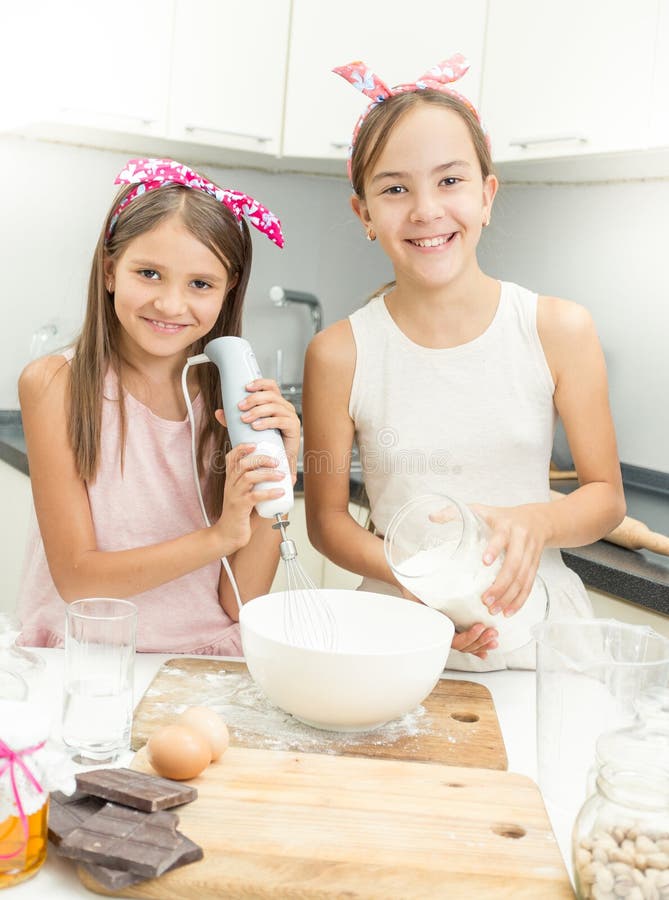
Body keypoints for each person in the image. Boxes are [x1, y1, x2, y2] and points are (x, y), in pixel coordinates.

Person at [302, 56, 626, 671]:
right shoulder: (340, 352)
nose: (425, 209)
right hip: (401, 626)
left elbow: (606, 497)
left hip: (537, 632)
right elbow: (326, 522)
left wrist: (537, 522)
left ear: (487, 194)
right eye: (394, 188)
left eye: (450, 181)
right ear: (364, 214)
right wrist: (417, 581)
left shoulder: (557, 329)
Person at [17, 157, 300, 654]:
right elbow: (78, 581)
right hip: (89, 660)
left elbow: (242, 602)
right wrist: (218, 537)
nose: (171, 305)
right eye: (149, 273)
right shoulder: (56, 385)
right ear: (110, 271)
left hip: (203, 658)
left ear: (228, 288)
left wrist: (282, 469)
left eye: (200, 284)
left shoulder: (232, 400)